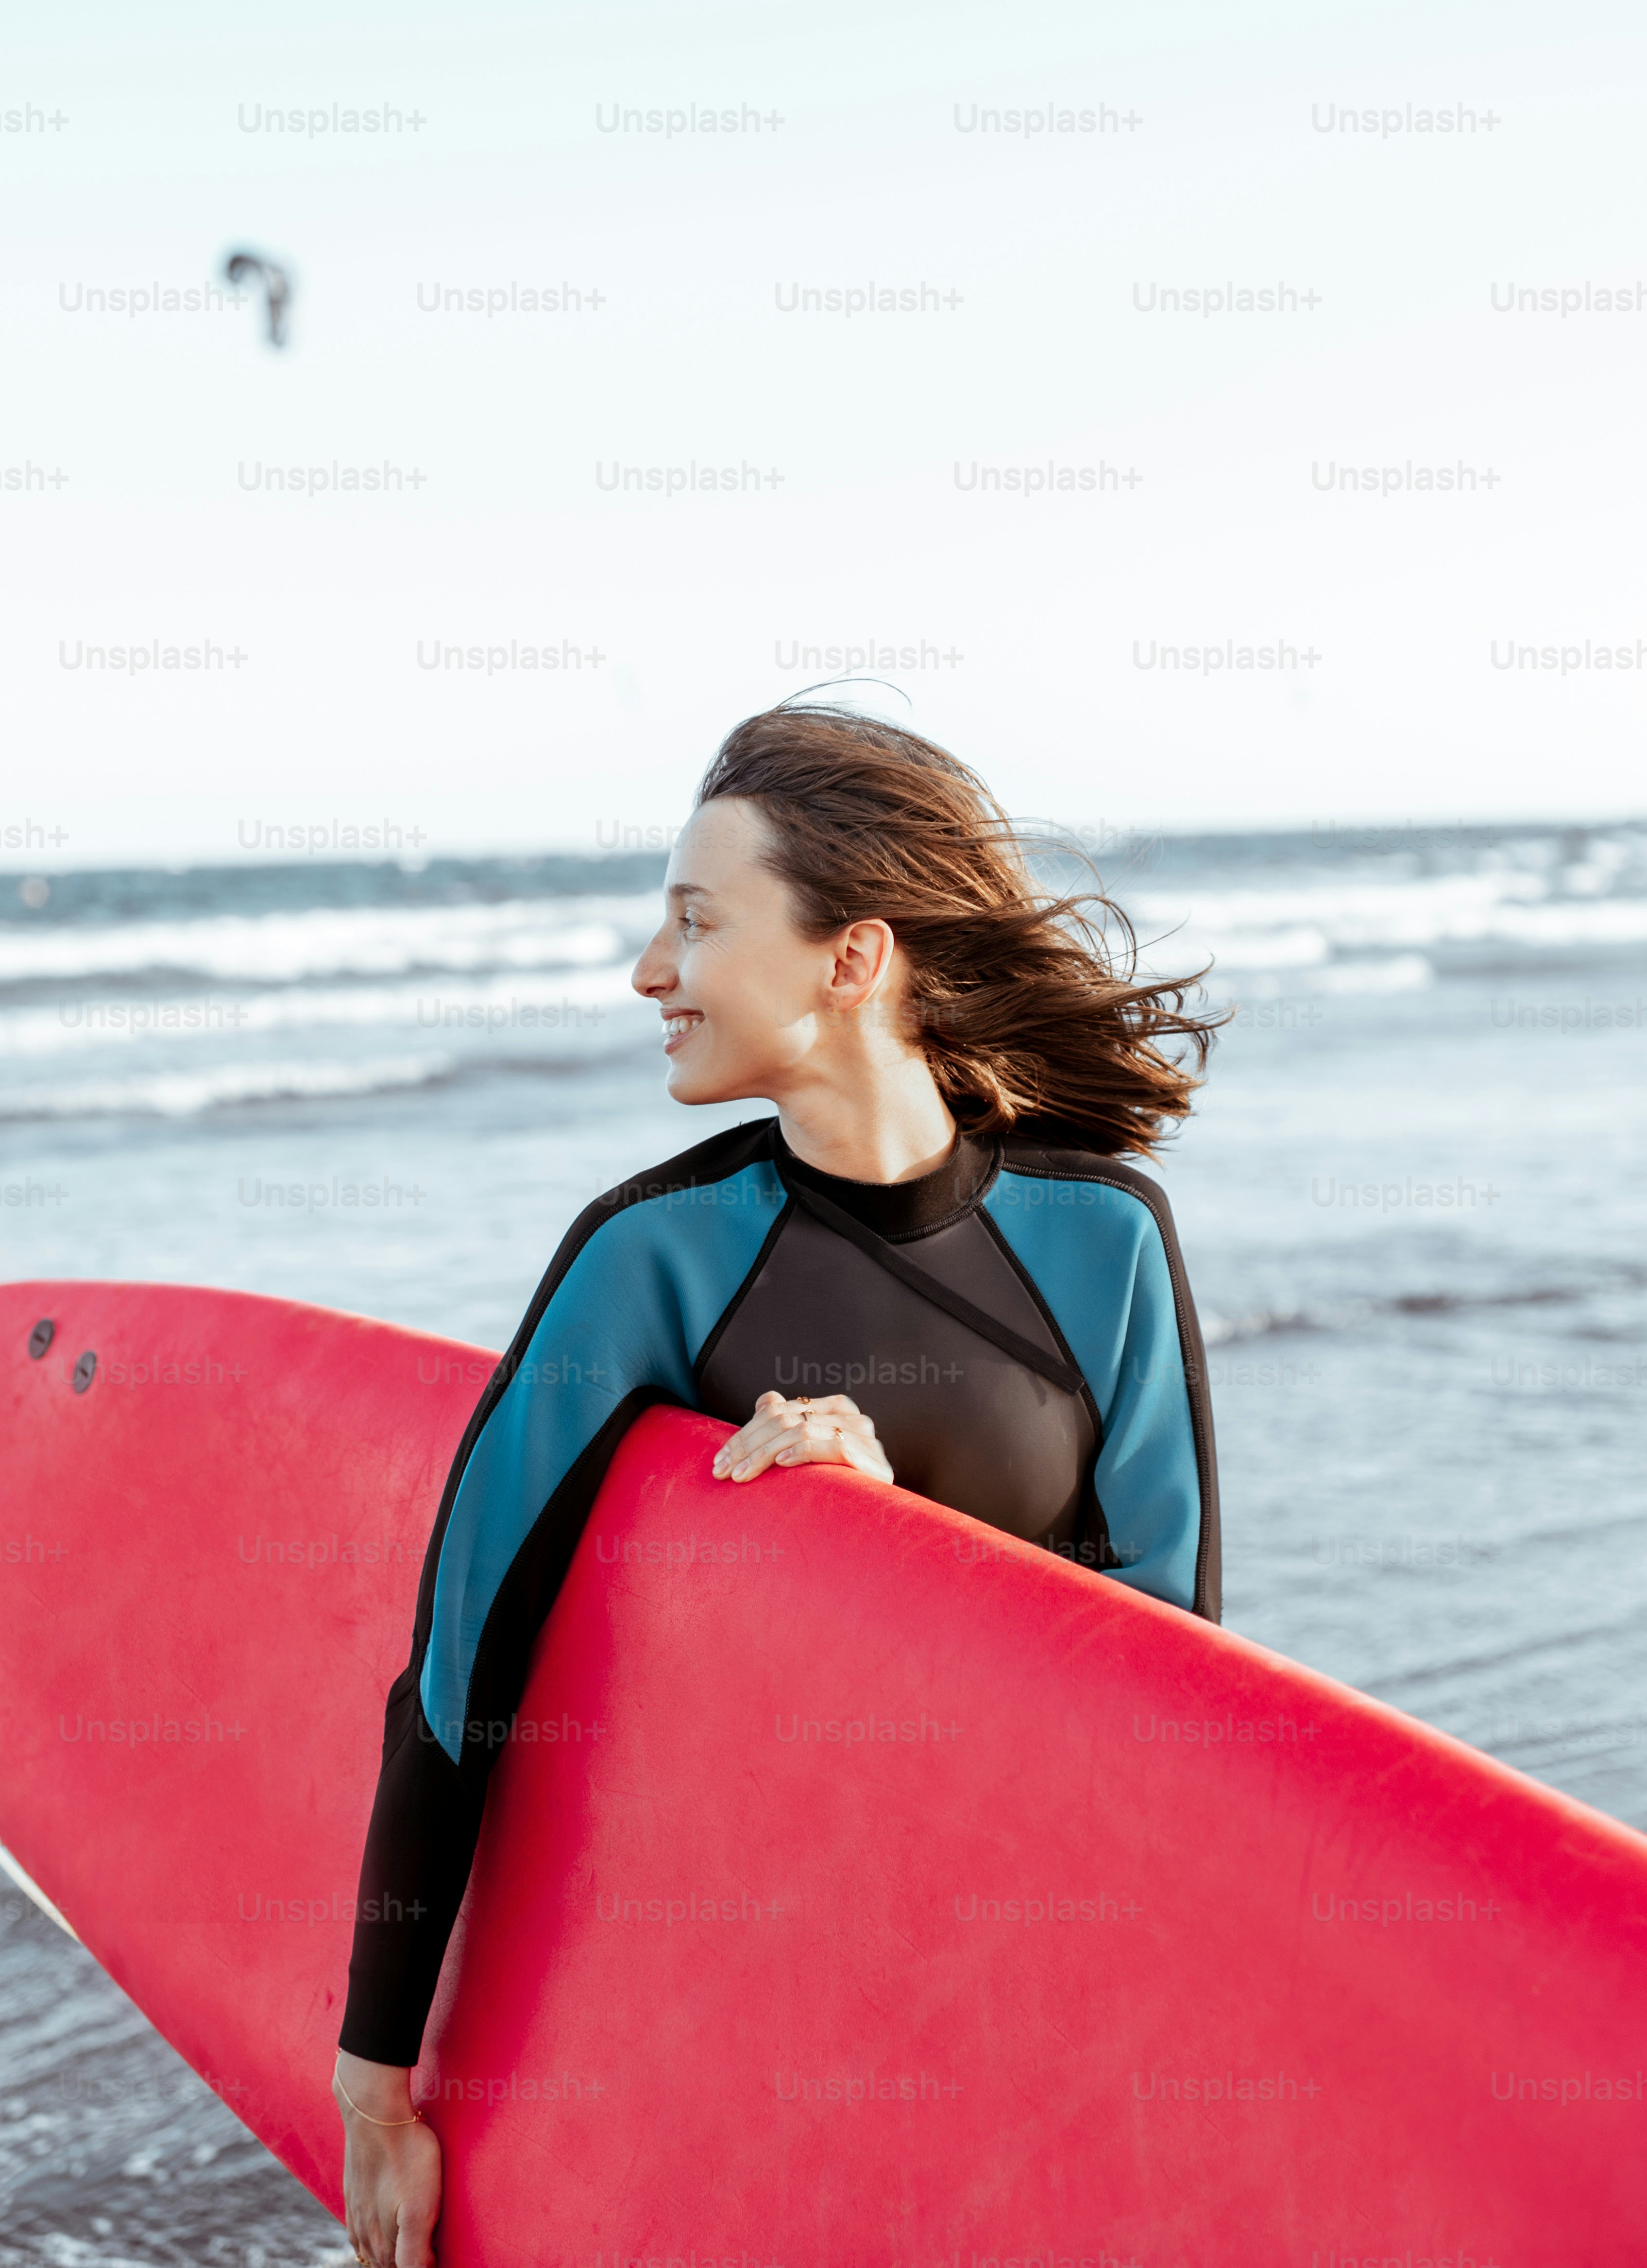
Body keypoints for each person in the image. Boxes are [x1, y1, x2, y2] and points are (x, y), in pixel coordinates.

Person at [330, 706, 1226, 2268]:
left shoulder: (1107, 1245)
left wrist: (885, 1544)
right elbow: (459, 1667)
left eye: (692, 918)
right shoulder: (648, 1256)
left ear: (848, 955)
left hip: (1013, 1996)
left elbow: (1166, 1697)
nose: (645, 970)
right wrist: (373, 2079)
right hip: (744, 1981)